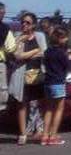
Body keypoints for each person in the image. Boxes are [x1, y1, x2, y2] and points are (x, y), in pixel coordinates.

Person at [9, 11, 44, 144]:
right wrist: (32, 51)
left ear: (34, 25)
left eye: (28, 23)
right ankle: (23, 133)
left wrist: (29, 54)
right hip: (22, 74)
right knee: (22, 103)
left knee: (38, 103)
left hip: (37, 73)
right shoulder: (18, 36)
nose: (24, 25)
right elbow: (16, 55)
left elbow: (43, 52)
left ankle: (39, 130)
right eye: (22, 22)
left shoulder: (39, 36)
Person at [41, 25, 70, 146]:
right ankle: (53, 136)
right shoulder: (61, 53)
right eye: (65, 38)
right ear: (60, 38)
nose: (67, 40)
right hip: (58, 82)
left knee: (48, 109)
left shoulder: (47, 52)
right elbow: (68, 67)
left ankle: (45, 135)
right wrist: (69, 58)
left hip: (48, 82)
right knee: (59, 109)